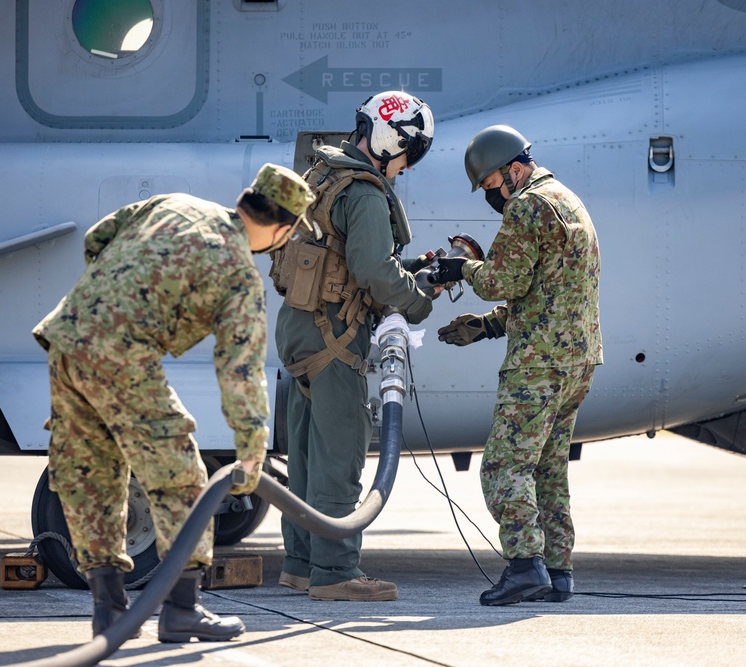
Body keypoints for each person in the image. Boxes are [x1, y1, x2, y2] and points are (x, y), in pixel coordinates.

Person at [32, 164, 314, 640]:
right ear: (282, 228)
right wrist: (251, 451)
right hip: (121, 354)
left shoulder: (176, 204)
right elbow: (239, 372)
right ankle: (183, 608)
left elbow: (99, 238)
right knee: (181, 477)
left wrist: (110, 301)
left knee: (91, 473)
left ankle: (109, 610)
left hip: (68, 335)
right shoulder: (239, 273)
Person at [269, 91, 436, 601]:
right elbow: (373, 273)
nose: (405, 168)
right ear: (393, 142)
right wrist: (420, 298)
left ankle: (300, 564)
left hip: (298, 329)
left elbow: (340, 258)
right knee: (339, 455)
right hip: (334, 335)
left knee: (303, 455)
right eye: (408, 155)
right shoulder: (365, 192)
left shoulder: (324, 173)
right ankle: (336, 573)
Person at [431, 125, 603, 606]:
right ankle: (558, 569)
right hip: (575, 360)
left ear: (515, 169)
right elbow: (545, 292)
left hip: (539, 366)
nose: (492, 198)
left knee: (505, 466)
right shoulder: (566, 200)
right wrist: (486, 327)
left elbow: (498, 279)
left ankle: (526, 565)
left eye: (490, 187)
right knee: (547, 469)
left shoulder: (528, 205)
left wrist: (459, 268)